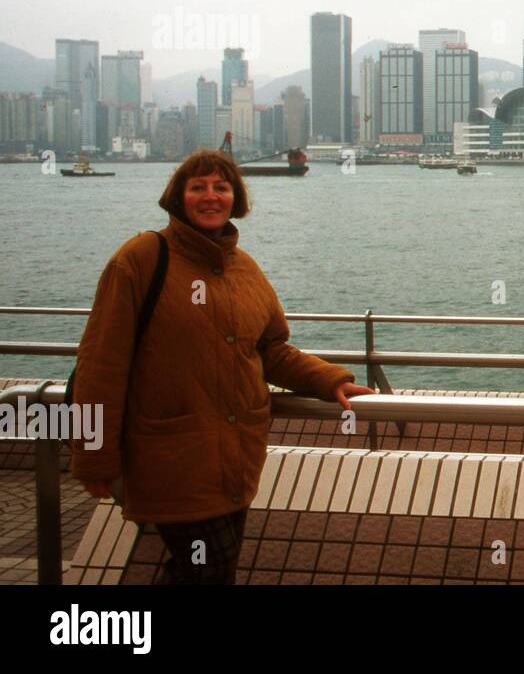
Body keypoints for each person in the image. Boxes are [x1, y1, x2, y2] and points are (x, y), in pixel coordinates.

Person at [69, 148, 374, 583]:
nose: (210, 196)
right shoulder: (140, 259)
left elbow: (271, 350)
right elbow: (101, 364)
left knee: (207, 572)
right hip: (173, 460)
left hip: (238, 456)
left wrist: (329, 380)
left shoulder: (244, 268)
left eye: (221, 186)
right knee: (207, 572)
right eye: (197, 187)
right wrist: (93, 456)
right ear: (177, 197)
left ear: (236, 198)